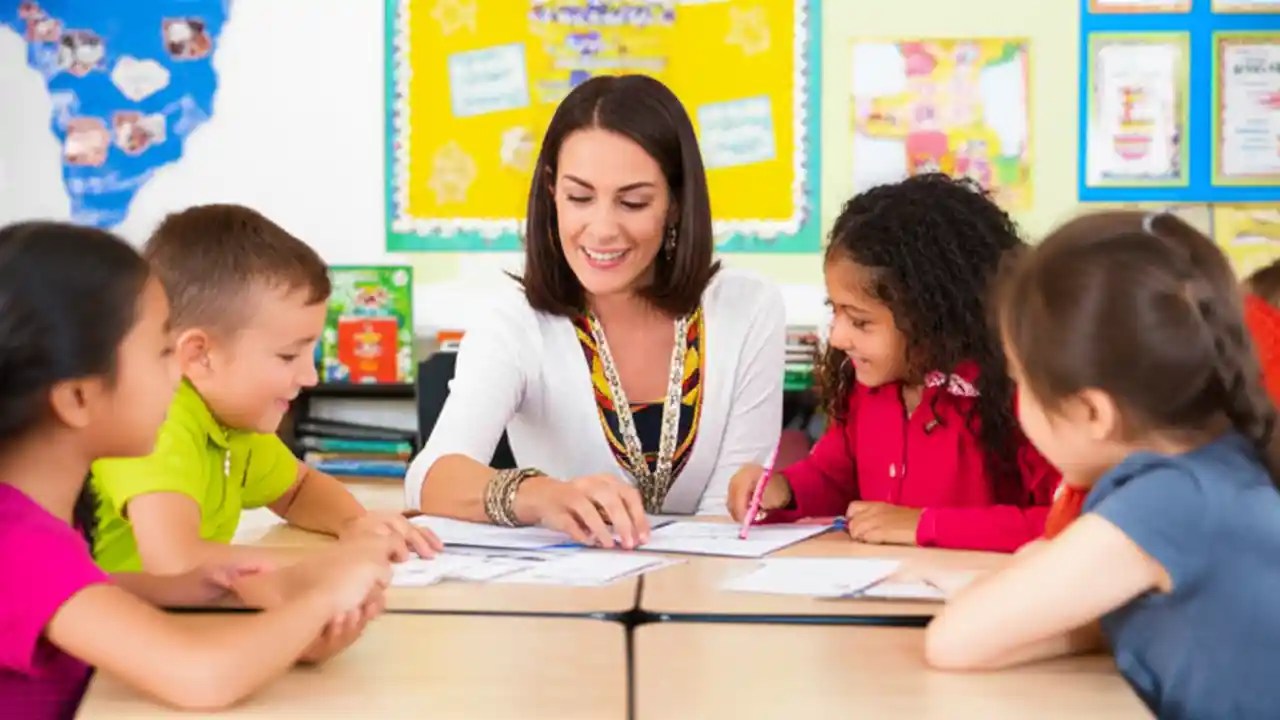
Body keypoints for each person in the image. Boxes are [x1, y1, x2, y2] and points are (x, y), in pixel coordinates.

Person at [0, 221, 392, 715]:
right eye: (162, 352)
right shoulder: (17, 543)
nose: (179, 374)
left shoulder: (35, 524)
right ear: (77, 398)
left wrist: (204, 589)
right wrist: (319, 601)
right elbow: (202, 678)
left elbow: (80, 594)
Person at [924, 211, 1280, 720]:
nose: (1016, 401)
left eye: (1021, 380)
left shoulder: (1169, 501)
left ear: (1092, 413)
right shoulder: (1222, 468)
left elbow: (955, 642)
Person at [405, 74, 786, 549]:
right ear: (551, 194)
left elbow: (729, 512)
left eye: (633, 202)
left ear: (675, 204)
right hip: (567, 604)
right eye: (579, 198)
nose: (602, 229)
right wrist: (540, 495)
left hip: (706, 586)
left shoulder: (749, 309)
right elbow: (431, 477)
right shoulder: (513, 321)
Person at [90, 204, 441, 573]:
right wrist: (326, 565)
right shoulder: (157, 422)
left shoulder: (232, 421)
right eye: (289, 356)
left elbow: (297, 490)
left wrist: (355, 523)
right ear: (199, 356)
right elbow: (176, 562)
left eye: (312, 352)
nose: (310, 377)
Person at [727, 175, 1060, 552]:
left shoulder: (1014, 395)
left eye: (860, 321)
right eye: (834, 312)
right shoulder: (866, 386)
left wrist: (924, 525)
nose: (837, 337)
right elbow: (835, 475)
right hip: (877, 594)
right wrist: (785, 490)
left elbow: (1063, 525)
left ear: (933, 316)